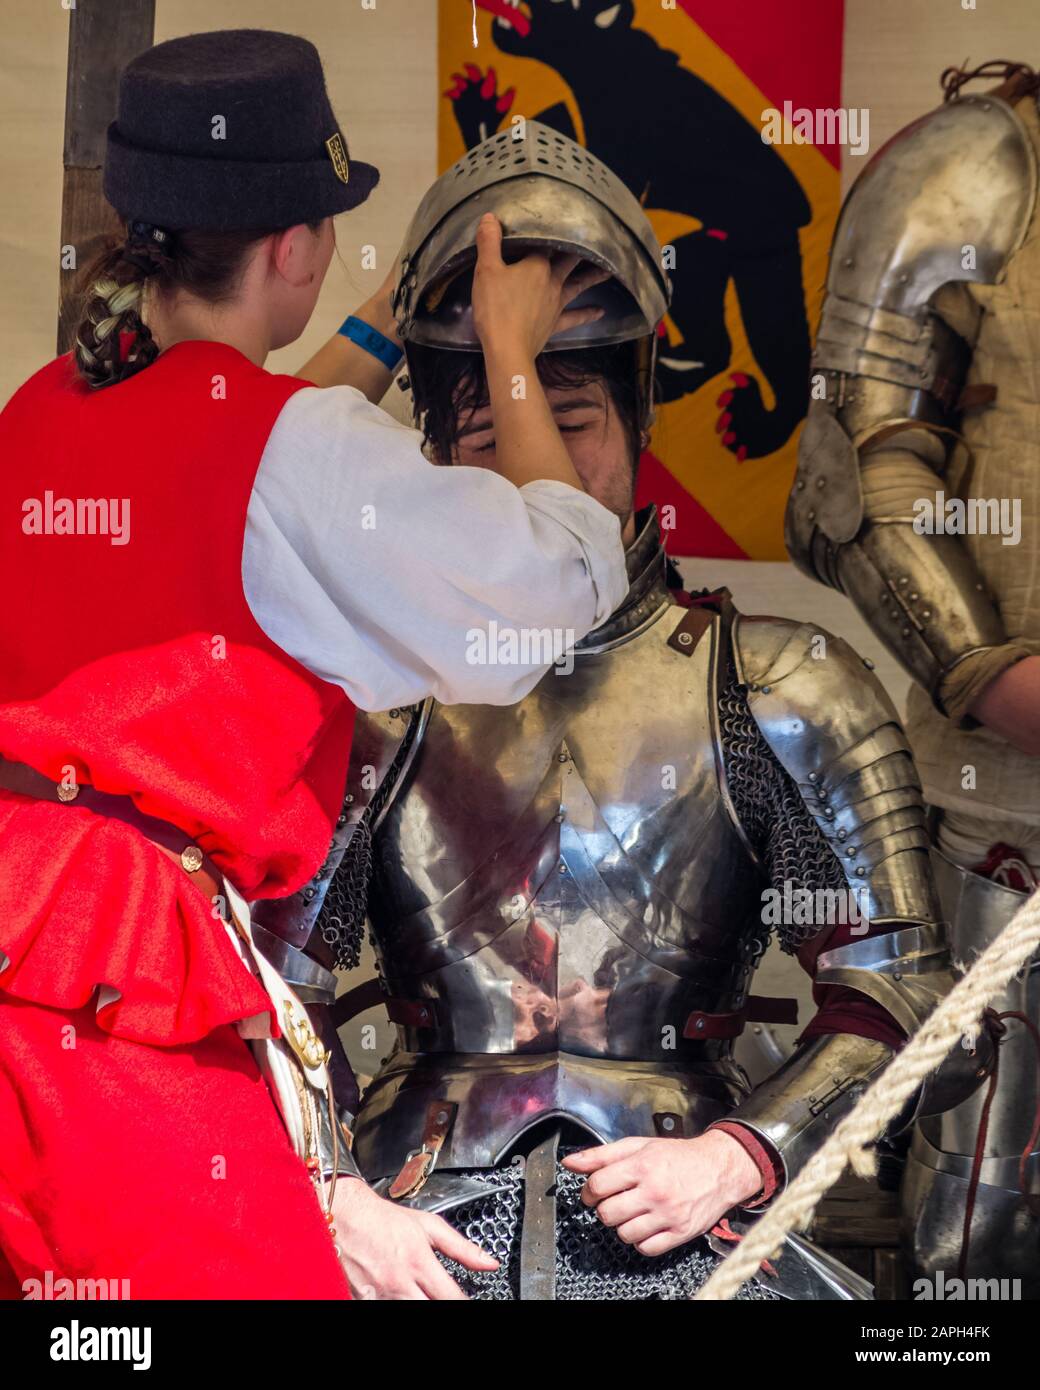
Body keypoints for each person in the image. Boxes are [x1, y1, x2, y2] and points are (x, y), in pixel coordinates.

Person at [256, 122, 986, 1300]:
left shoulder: (780, 680)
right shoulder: (367, 692)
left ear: (637, 425)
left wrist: (739, 1154)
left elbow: (909, 995)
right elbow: (258, 995)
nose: (526, 471)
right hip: (405, 1213)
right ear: (433, 455)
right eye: (490, 432)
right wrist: (332, 1192)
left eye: (570, 421)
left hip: (685, 1204)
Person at [0, 31, 630, 1300]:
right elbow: (563, 582)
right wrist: (508, 349)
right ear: (294, 247)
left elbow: (235, 448)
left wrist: (382, 326)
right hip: (121, 1002)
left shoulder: (42, 408)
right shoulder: (290, 449)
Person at [785, 61, 1040, 1293]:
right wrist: (994, 676)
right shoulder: (975, 167)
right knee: (982, 1228)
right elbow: (852, 472)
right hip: (1010, 817)